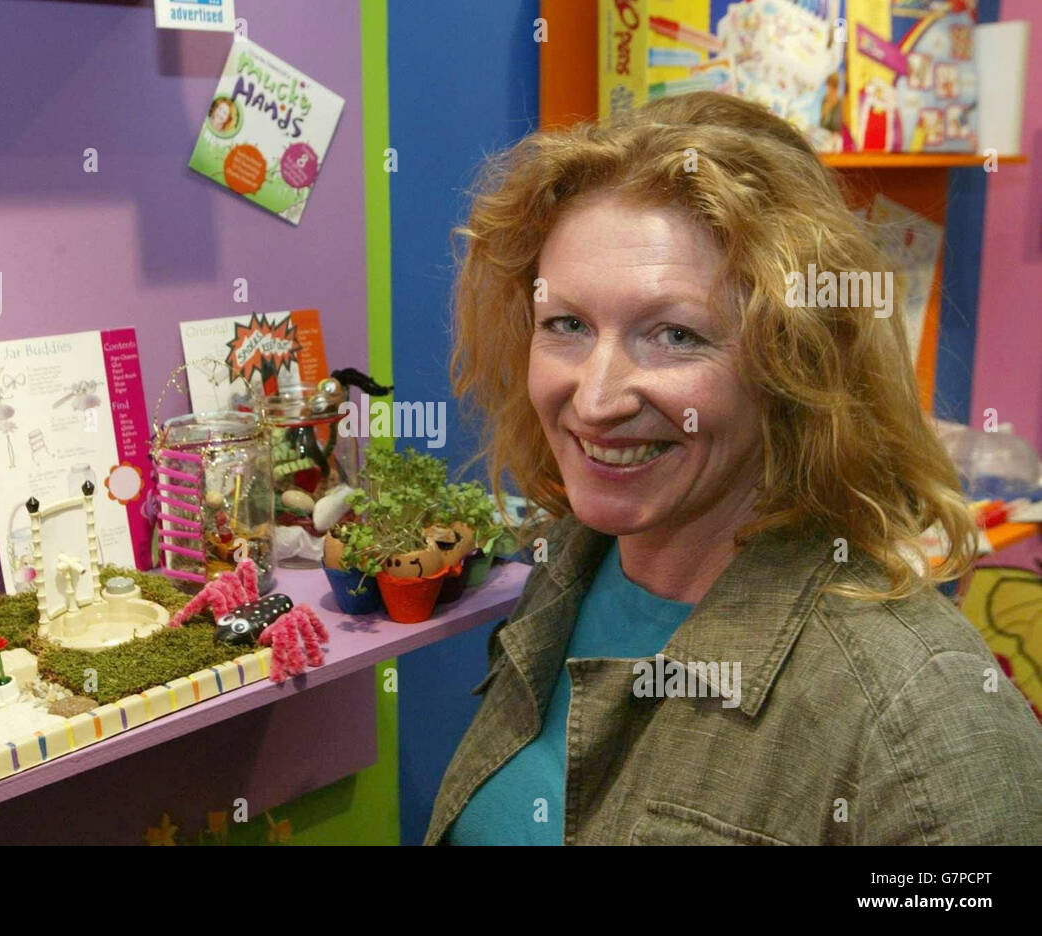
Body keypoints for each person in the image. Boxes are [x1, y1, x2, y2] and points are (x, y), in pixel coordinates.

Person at [428, 91, 1042, 845]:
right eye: (567, 325)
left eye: (676, 335)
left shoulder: (921, 713)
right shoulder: (565, 574)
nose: (594, 398)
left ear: (795, 362)